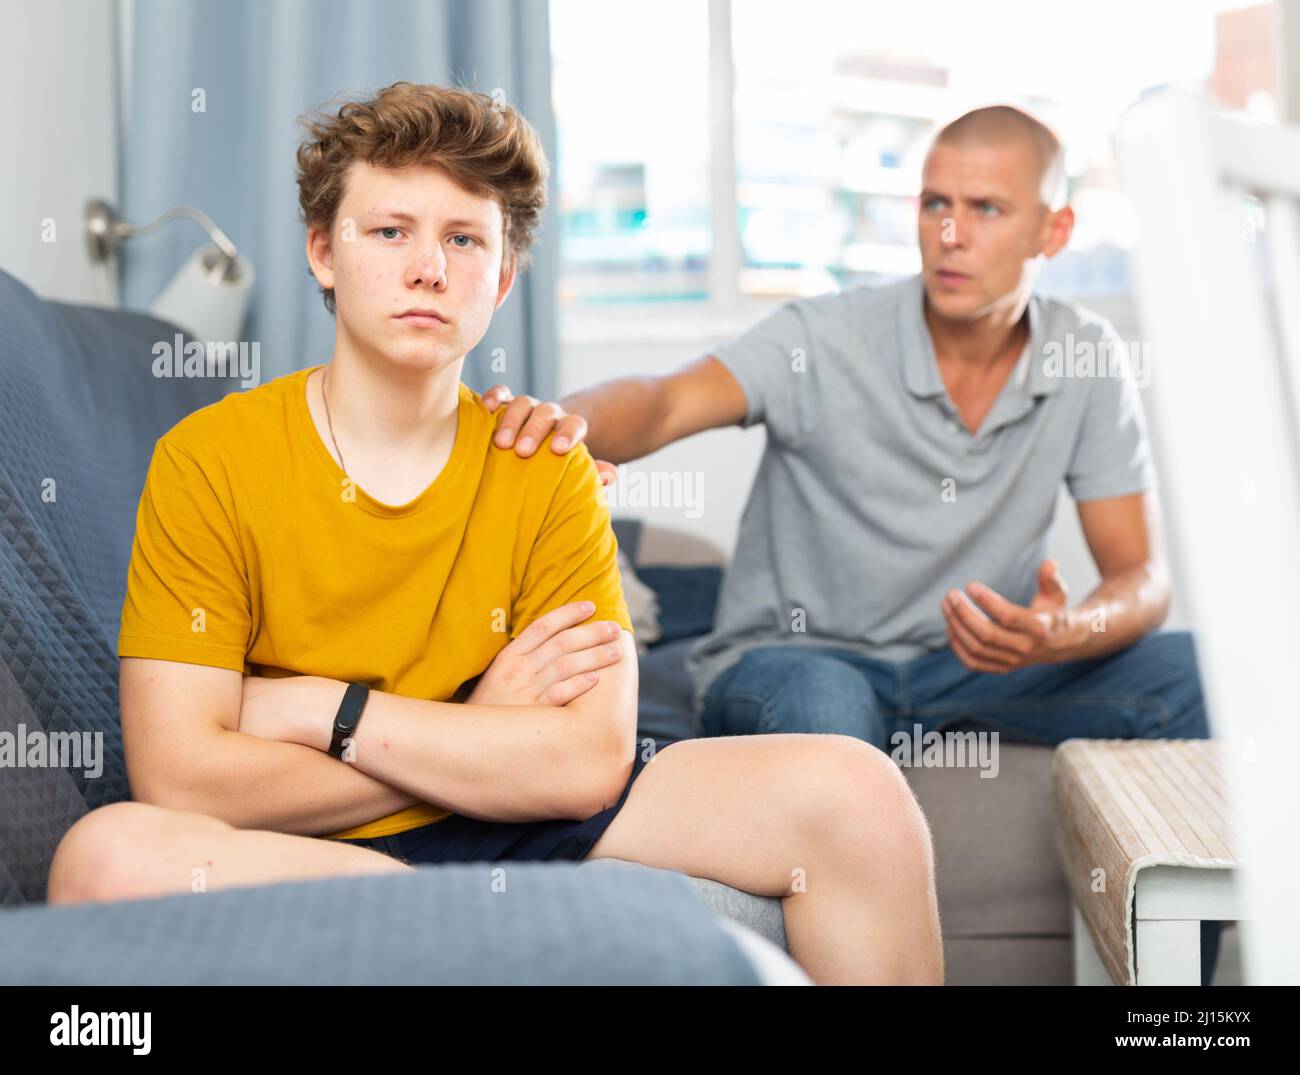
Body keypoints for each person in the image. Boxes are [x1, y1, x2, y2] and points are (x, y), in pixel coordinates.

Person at [43, 82, 943, 987]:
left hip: (520, 819)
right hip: (305, 837)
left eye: (463, 239)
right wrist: (471, 730)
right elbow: (182, 778)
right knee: (107, 856)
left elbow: (587, 760)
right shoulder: (208, 459)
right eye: (390, 231)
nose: (429, 268)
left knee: (858, 792)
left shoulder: (546, 459)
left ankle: (454, 927)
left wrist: (333, 712)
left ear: (502, 276)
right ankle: (469, 925)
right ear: (324, 251)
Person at [486, 104, 1221, 983]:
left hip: (976, 664)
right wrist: (557, 421)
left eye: (986, 209)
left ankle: (1181, 1006)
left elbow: (1139, 576)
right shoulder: (824, 337)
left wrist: (1066, 634)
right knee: (828, 748)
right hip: (799, 655)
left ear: (1053, 230)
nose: (949, 233)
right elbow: (664, 400)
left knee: (1215, 676)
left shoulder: (1084, 360)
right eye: (932, 203)